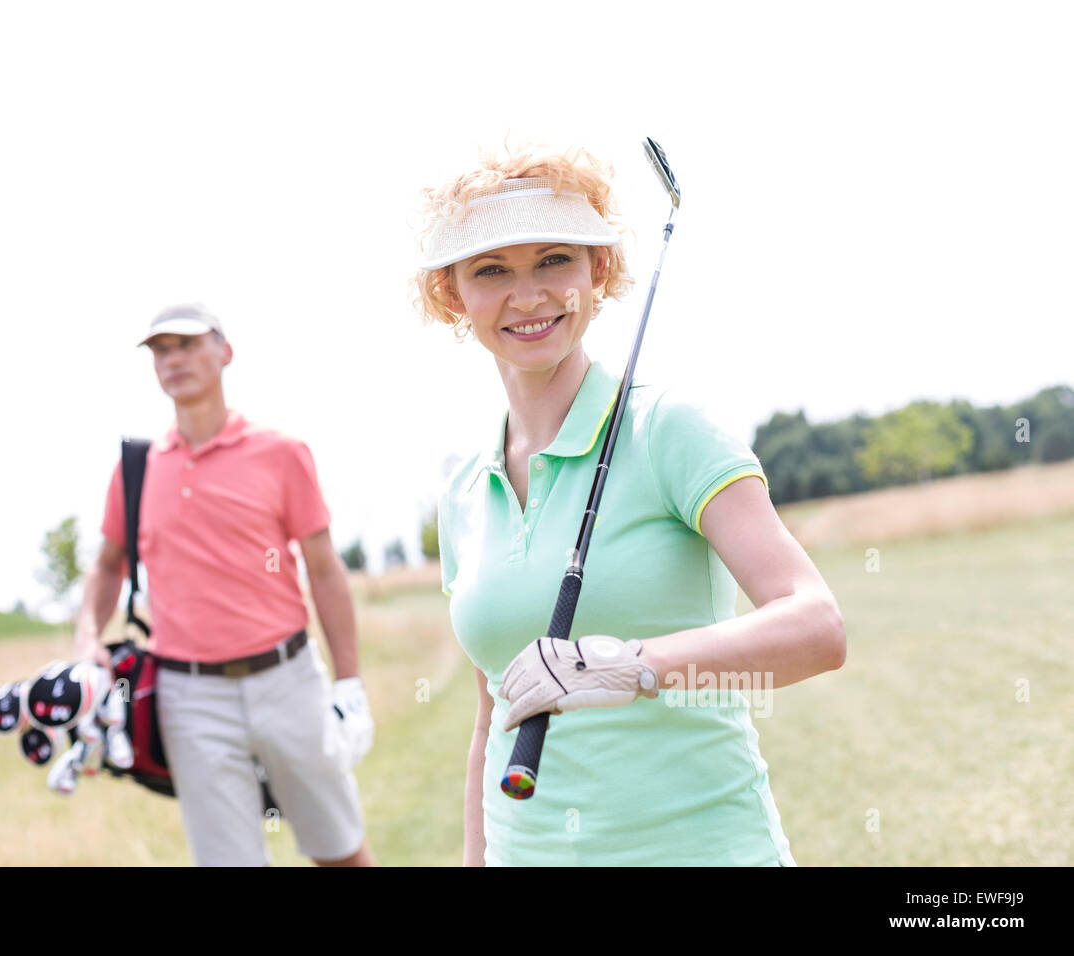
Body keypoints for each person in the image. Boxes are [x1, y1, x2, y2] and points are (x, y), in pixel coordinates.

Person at [414, 145, 846, 866]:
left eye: (554, 260)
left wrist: (631, 664)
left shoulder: (670, 430)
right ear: (454, 293)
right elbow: (496, 708)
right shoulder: (463, 488)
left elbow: (817, 627)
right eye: (492, 269)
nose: (527, 296)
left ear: (599, 272)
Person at [72, 303, 376, 867]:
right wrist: (87, 640)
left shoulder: (281, 452)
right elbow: (108, 563)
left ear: (224, 351)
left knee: (339, 851)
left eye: (187, 344)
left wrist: (349, 684)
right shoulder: (136, 467)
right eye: (161, 350)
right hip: (189, 697)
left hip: (287, 680)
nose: (174, 359)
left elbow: (325, 569)